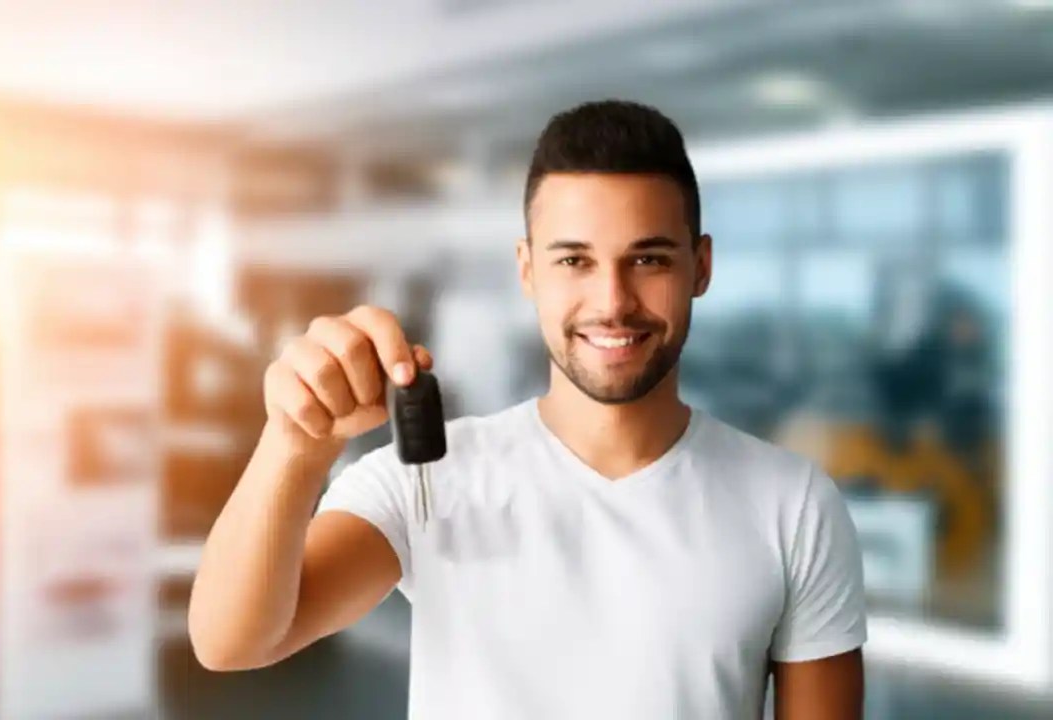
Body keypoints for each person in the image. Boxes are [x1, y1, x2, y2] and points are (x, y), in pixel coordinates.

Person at [189, 100, 867, 719]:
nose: (613, 301)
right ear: (528, 270)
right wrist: (294, 446)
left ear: (702, 266)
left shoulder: (792, 503)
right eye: (574, 261)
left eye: (649, 260)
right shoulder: (430, 476)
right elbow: (231, 640)